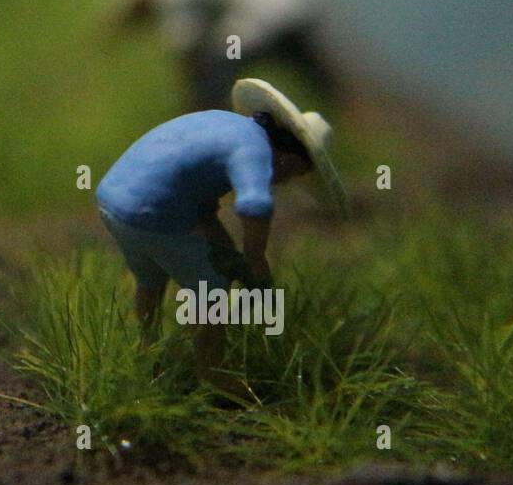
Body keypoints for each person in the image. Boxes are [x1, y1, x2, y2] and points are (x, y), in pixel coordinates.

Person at [95, 78, 347, 398]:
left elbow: (198, 203)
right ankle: (211, 372)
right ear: (288, 158)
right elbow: (254, 205)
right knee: (213, 286)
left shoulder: (224, 123)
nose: (284, 182)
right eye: (293, 174)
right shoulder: (254, 151)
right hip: (152, 215)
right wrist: (254, 258)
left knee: (151, 278)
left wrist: (227, 248)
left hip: (112, 202)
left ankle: (147, 349)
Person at [99, 0, 337, 109]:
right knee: (326, 81)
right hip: (295, 1)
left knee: (212, 74)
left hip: (266, 14)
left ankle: (211, 133)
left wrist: (189, 101)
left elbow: (186, 49)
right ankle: (362, 132)